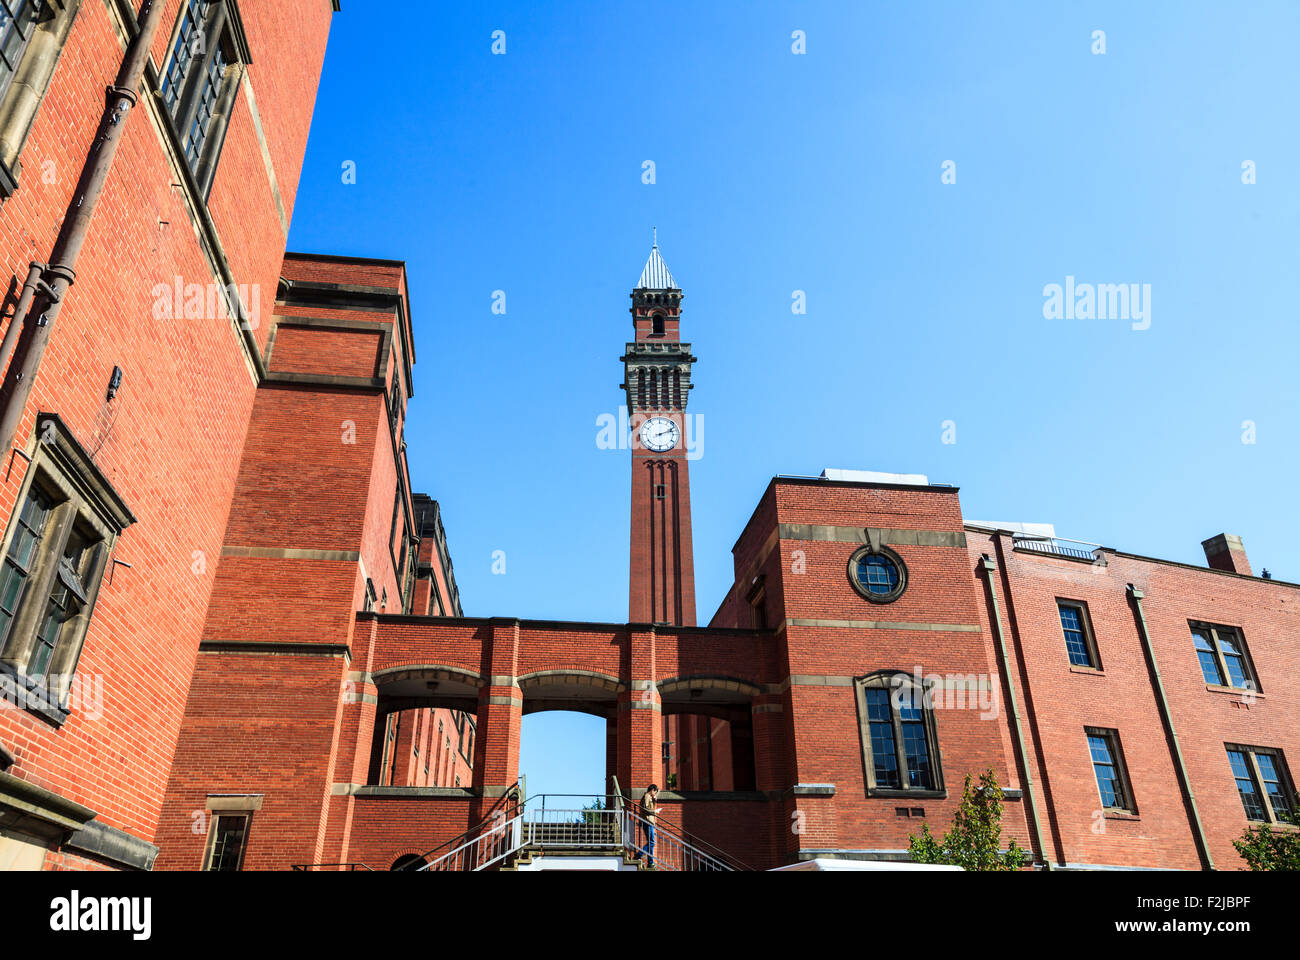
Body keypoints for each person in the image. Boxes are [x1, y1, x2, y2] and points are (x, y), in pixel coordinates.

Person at [639, 783, 660, 867]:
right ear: (652, 790)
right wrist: (655, 811)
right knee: (651, 842)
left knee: (651, 842)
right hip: (647, 821)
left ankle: (650, 862)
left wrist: (654, 800)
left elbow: (650, 807)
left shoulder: (649, 797)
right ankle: (639, 856)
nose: (655, 794)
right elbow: (645, 808)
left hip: (649, 822)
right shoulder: (647, 796)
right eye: (655, 792)